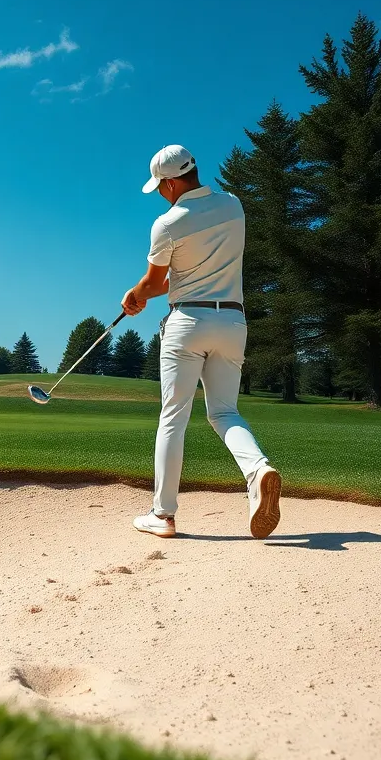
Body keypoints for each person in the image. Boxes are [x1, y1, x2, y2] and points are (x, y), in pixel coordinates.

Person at [120, 144, 282, 540]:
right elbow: (200, 268)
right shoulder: (233, 205)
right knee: (224, 412)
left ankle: (164, 514)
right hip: (232, 320)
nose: (160, 192)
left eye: (160, 185)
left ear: (172, 182)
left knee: (173, 416)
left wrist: (135, 295)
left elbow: (157, 283)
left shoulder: (167, 223)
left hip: (188, 322)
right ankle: (258, 470)